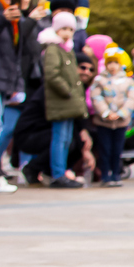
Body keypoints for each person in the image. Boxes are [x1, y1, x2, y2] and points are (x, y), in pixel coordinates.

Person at [0, 0, 41, 192]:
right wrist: (4, 18)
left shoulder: (16, 20)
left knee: (2, 126)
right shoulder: (0, 14)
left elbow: (20, 50)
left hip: (8, 80)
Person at [39, 11, 89, 188]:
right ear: (56, 29)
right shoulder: (53, 49)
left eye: (70, 29)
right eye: (63, 29)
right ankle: (58, 174)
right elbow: (52, 74)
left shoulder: (67, 49)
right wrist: (67, 91)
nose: (67, 32)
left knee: (67, 138)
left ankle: (63, 170)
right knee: (60, 138)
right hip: (61, 101)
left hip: (69, 102)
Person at [89, 45, 134, 187]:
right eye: (109, 62)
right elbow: (96, 97)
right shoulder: (99, 80)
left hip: (121, 122)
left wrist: (121, 113)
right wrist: (106, 113)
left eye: (115, 62)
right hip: (104, 122)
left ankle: (116, 173)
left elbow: (131, 99)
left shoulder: (128, 81)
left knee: (117, 150)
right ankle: (105, 174)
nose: (112, 66)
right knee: (105, 149)